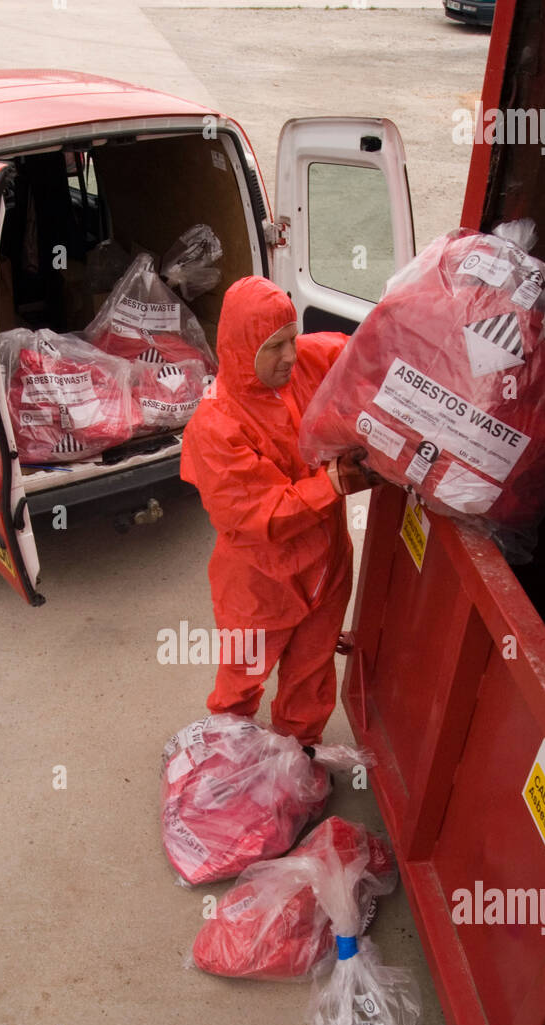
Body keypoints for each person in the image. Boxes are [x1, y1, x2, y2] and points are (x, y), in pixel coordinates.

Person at [181, 276, 370, 745]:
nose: (290, 354)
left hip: (326, 570)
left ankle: (297, 757)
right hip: (260, 582)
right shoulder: (216, 425)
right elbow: (259, 515)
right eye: (274, 346)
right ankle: (229, 755)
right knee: (242, 679)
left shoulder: (303, 362)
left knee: (312, 671)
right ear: (243, 348)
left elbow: (364, 353)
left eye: (291, 337)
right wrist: (333, 483)